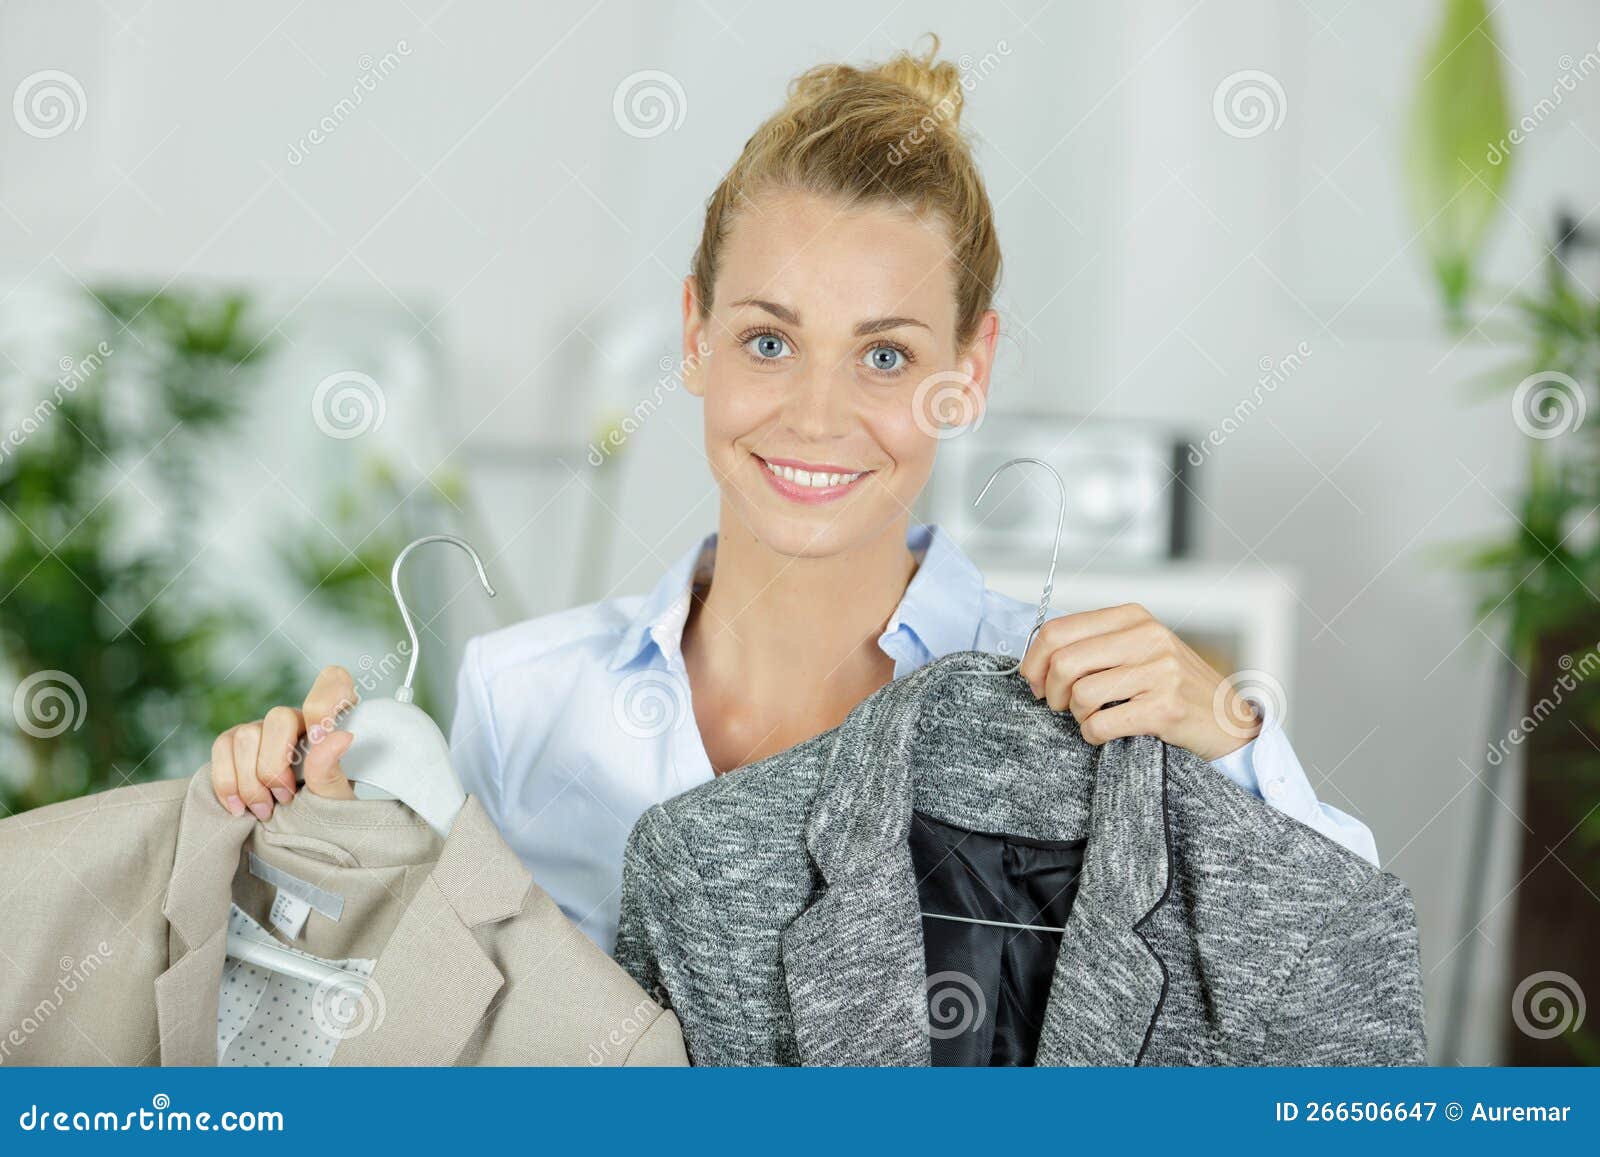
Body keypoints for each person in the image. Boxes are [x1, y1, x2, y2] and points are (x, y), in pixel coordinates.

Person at [207, 37, 1378, 954]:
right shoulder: (525, 699)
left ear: (968, 370)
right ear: (694, 334)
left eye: (885, 355)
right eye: (769, 341)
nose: (816, 415)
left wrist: (1230, 738)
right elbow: (427, 1024)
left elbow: (1338, 972)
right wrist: (311, 828)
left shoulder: (1071, 705)